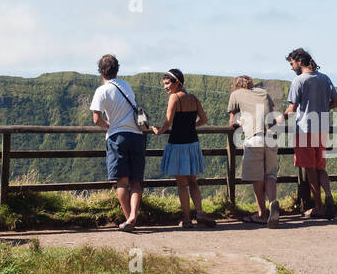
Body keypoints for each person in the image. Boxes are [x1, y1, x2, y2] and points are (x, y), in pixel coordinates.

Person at [152, 68, 216, 228]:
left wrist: (158, 131)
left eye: (167, 84)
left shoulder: (174, 98)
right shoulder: (193, 98)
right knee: (193, 182)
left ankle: (187, 219)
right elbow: (204, 119)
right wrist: (190, 126)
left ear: (177, 83)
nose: (165, 87)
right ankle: (200, 213)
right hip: (192, 143)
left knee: (181, 184)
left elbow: (168, 122)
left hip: (178, 144)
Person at [90, 54, 147, 232]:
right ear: (117, 69)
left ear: (100, 70)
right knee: (136, 181)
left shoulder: (102, 90)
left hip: (117, 137)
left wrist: (109, 126)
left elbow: (96, 119)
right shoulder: (126, 85)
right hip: (136, 136)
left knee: (122, 182)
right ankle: (132, 217)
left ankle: (129, 218)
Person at [284, 48, 337, 219]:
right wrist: (323, 108)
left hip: (305, 129)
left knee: (310, 169)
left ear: (299, 62)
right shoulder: (325, 78)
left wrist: (276, 119)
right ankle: (329, 195)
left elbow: (292, 108)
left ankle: (318, 207)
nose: (291, 67)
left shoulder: (298, 81)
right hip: (322, 127)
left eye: (292, 63)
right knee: (320, 167)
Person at [228, 75, 282, 226]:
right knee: (270, 175)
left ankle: (261, 214)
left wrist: (240, 122)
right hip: (271, 137)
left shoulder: (235, 94)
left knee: (257, 178)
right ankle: (273, 203)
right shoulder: (263, 93)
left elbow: (232, 121)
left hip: (255, 137)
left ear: (236, 85)